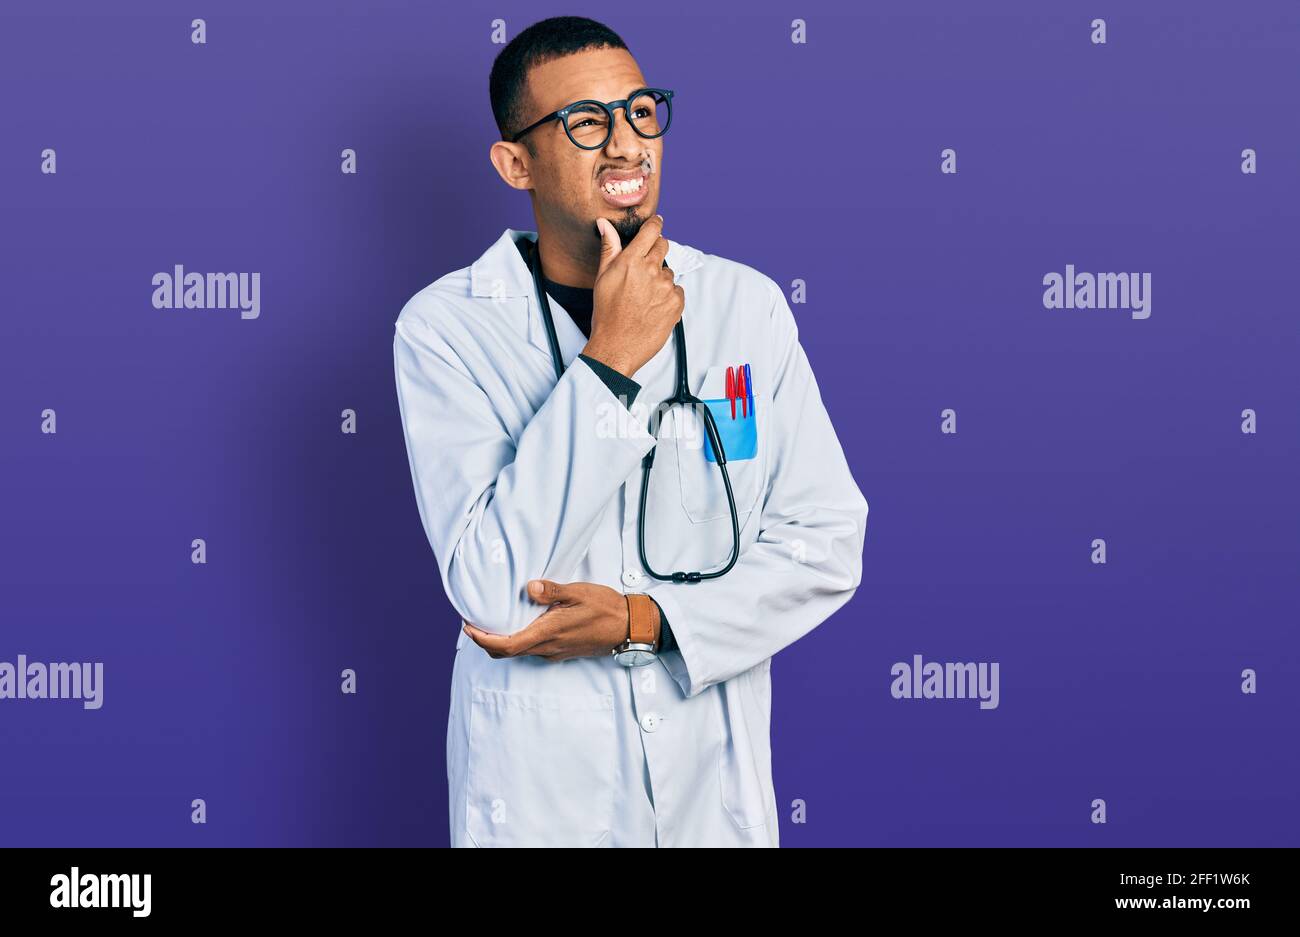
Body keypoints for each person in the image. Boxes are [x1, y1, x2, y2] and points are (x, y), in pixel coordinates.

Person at [392, 15, 868, 847]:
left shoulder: (743, 306)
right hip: (543, 801)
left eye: (641, 112)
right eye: (586, 122)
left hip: (711, 792)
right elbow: (492, 592)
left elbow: (826, 543)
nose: (626, 144)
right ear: (515, 164)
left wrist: (646, 620)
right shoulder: (446, 327)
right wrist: (609, 361)